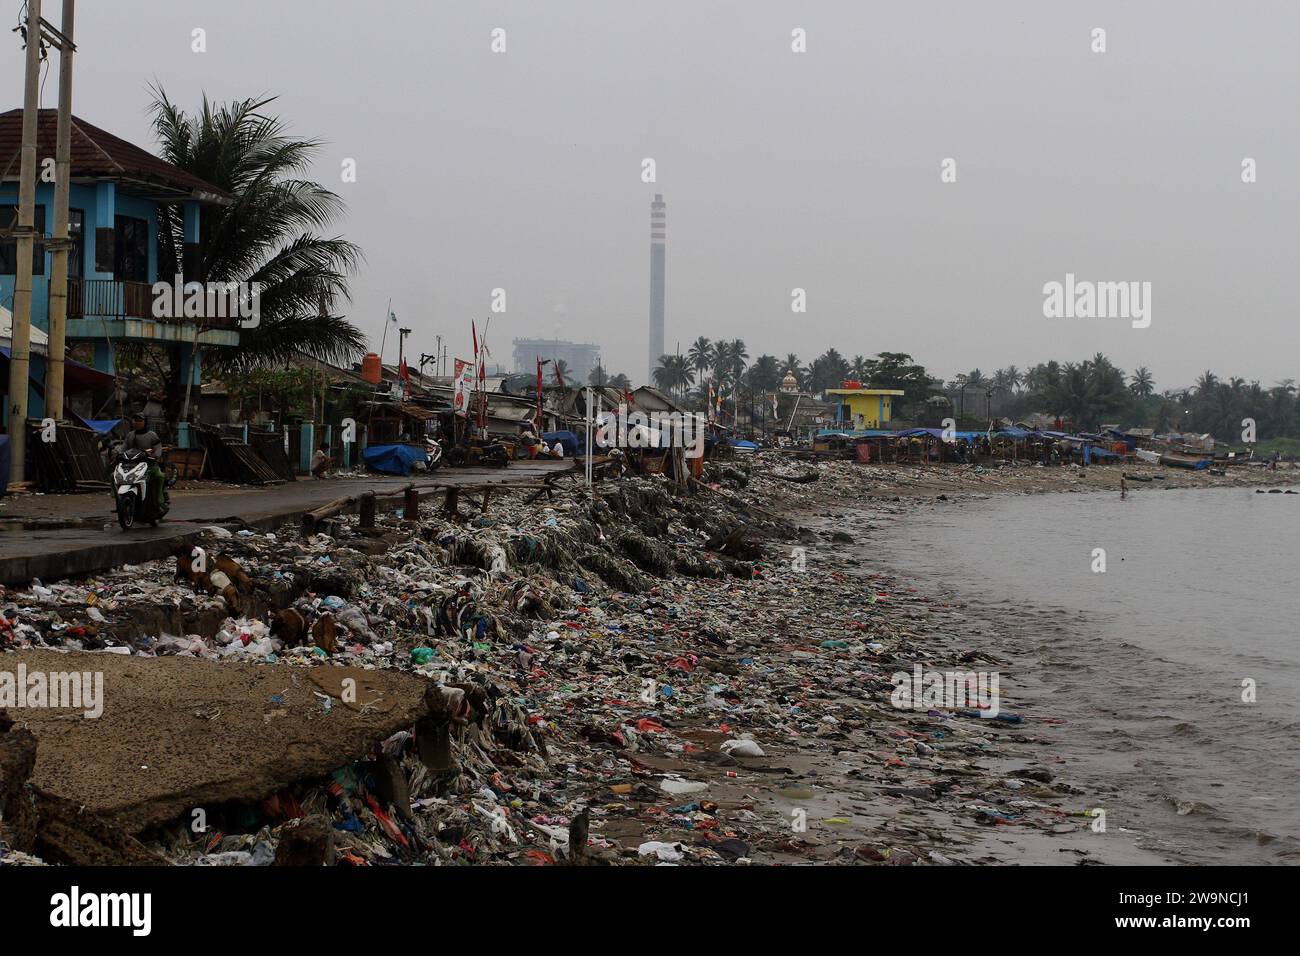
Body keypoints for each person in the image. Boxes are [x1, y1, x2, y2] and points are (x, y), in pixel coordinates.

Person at [122, 414, 166, 512]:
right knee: (114, 475)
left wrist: (156, 456)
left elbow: (158, 447)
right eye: (135, 420)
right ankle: (118, 498)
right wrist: (117, 453)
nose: (137, 423)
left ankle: (160, 500)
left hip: (149, 464)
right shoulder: (130, 435)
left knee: (159, 476)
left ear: (145, 422)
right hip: (131, 465)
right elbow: (123, 448)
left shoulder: (152, 435)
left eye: (140, 420)